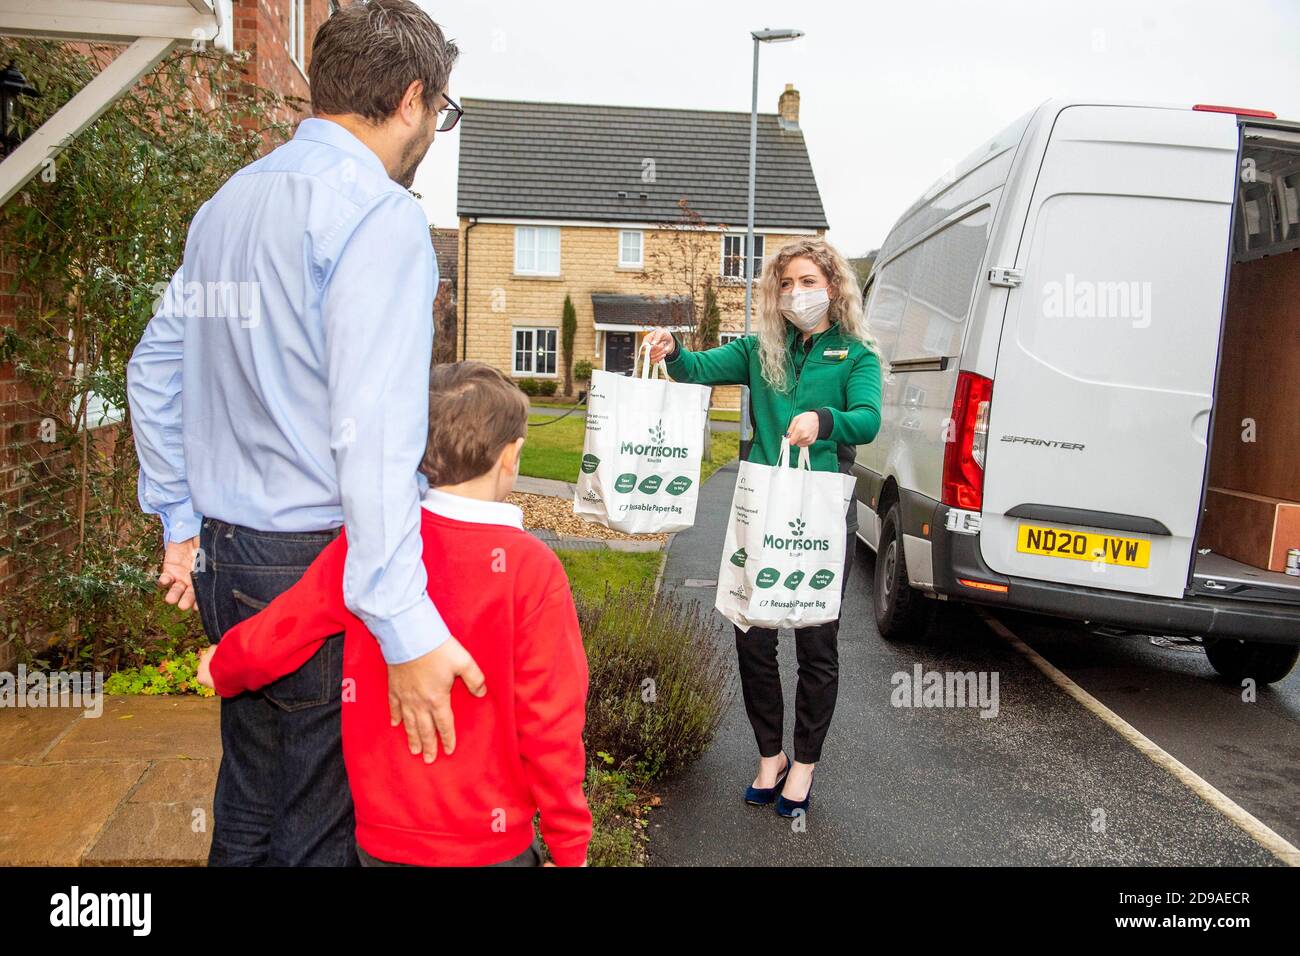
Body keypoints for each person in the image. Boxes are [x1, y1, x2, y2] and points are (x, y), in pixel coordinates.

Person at [126, 0, 480, 866]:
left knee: (250, 805)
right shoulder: (381, 216)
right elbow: (373, 438)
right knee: (320, 833)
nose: (435, 126)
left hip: (225, 558)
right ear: (410, 99)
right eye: (441, 109)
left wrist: (178, 526)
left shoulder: (228, 206)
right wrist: (404, 622)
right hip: (313, 570)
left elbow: (151, 370)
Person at [197, 362, 592, 868]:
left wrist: (223, 664)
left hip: (381, 841)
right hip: (491, 844)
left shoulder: (372, 549)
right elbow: (551, 723)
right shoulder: (534, 571)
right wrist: (570, 847)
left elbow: (286, 627)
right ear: (510, 457)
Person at [644, 237, 882, 818]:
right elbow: (698, 367)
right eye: (785, 284)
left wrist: (823, 420)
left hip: (821, 508)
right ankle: (769, 754)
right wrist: (672, 349)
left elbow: (868, 420)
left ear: (833, 287)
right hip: (763, 503)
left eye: (807, 282)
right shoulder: (760, 349)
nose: (795, 294)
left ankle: (804, 764)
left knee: (815, 639)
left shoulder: (856, 355)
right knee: (752, 632)